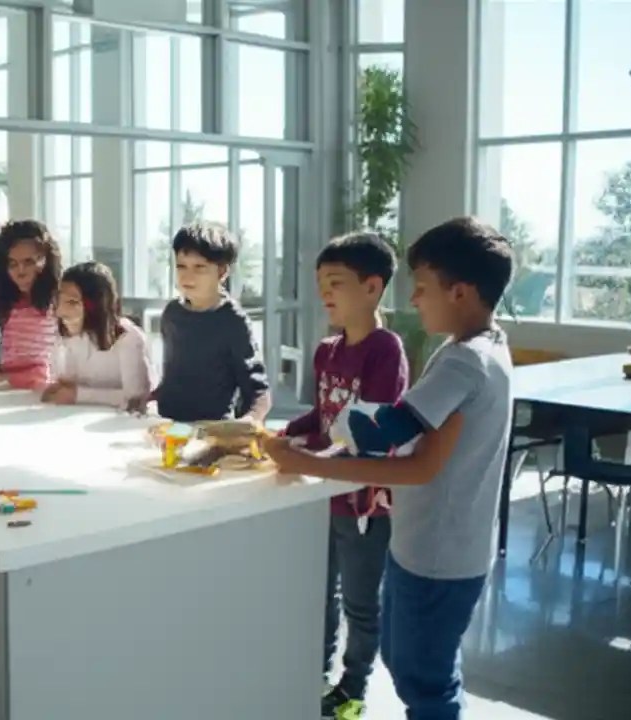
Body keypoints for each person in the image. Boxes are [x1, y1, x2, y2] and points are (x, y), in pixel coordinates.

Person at [263, 217, 515, 720]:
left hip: (441, 554)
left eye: (422, 288)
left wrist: (308, 461)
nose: (415, 300)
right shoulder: (473, 347)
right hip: (423, 544)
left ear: (460, 292)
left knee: (426, 681)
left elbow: (394, 437)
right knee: (411, 663)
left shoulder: (464, 363)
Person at [282, 232, 408, 720]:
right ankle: (314, 676)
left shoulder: (385, 350)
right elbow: (321, 417)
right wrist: (279, 436)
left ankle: (353, 689)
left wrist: (310, 456)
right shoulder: (327, 351)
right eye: (321, 283)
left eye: (336, 282)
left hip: (364, 502)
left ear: (373, 287)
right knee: (320, 594)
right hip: (322, 495)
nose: (325, 293)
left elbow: (370, 434)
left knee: (360, 601)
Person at [145, 221, 270, 423]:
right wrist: (149, 400)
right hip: (167, 425)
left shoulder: (233, 321)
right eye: (181, 266)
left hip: (212, 429)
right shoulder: (172, 313)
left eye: (199, 268)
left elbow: (258, 390)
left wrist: (250, 421)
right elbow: (173, 377)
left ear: (222, 272)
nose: (187, 275)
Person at [43, 261, 154, 408]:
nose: (60, 311)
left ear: (96, 306)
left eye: (72, 302)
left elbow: (137, 398)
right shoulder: (65, 334)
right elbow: (66, 381)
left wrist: (79, 395)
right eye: (59, 300)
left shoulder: (128, 339)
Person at [0, 219, 63, 390]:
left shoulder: (60, 303)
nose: (20, 272)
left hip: (42, 394)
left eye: (29, 262)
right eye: (12, 264)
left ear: (45, 260)